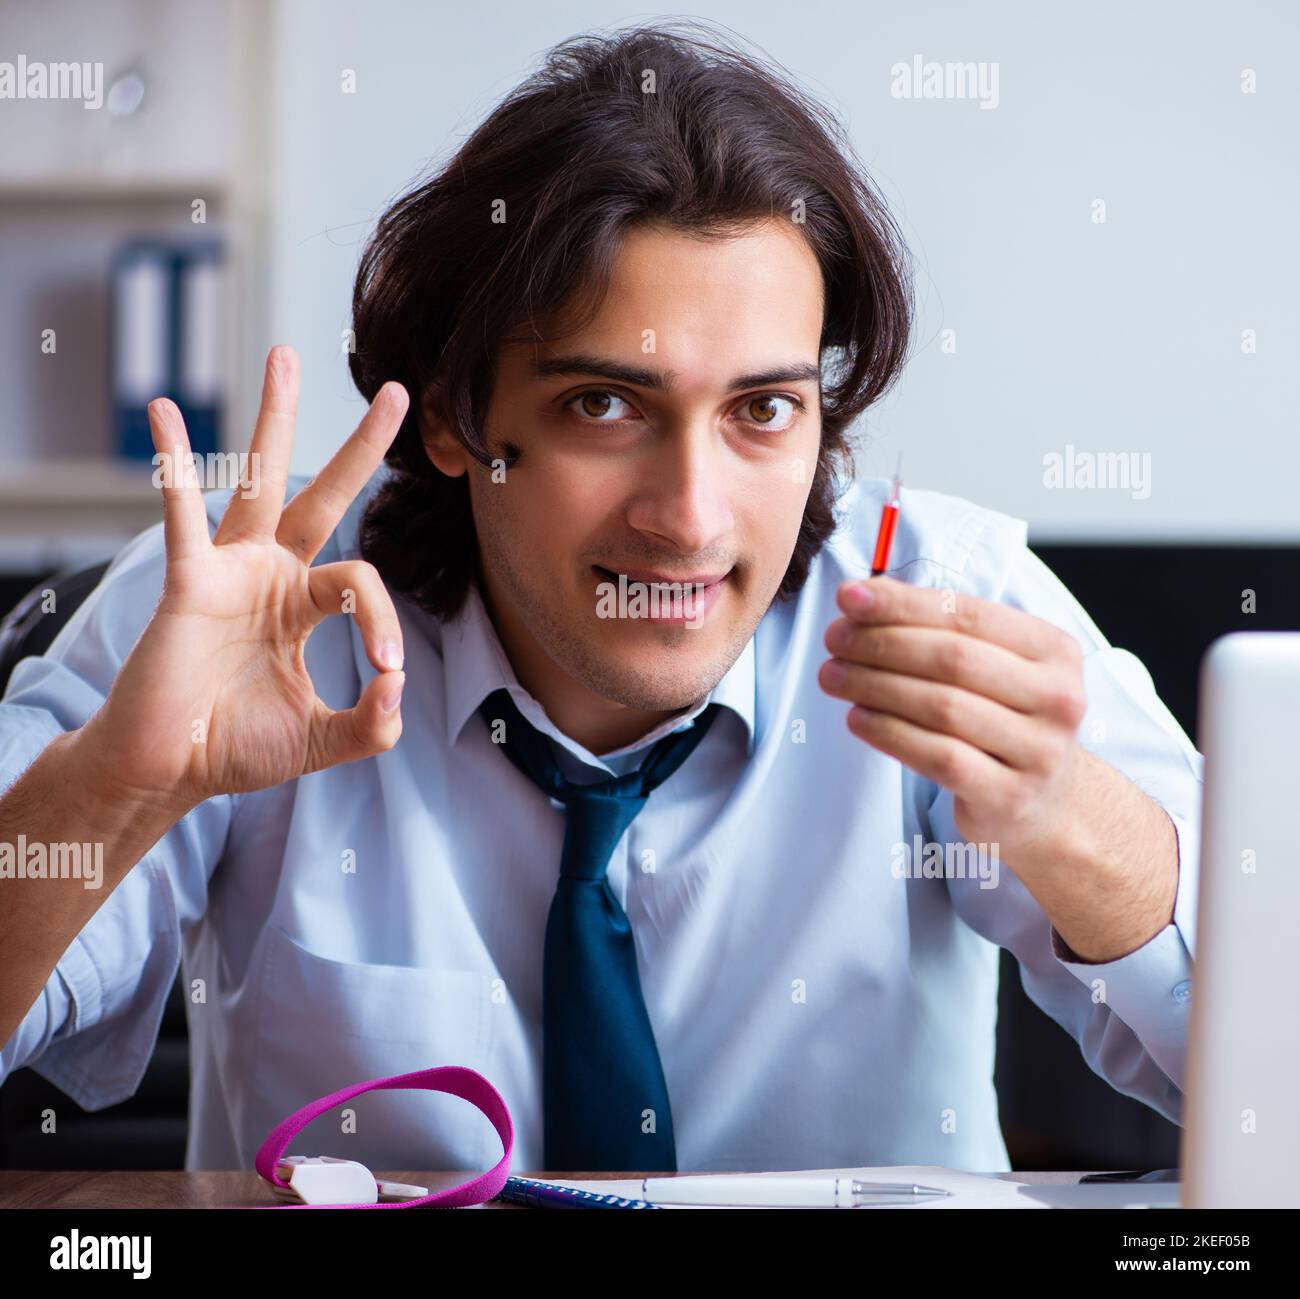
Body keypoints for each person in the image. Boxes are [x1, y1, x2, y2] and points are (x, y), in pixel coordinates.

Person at [0, 23, 1200, 1174]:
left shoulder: (946, 602)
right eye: (603, 407)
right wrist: (118, 780)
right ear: (465, 417)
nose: (688, 515)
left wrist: (1073, 823)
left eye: (761, 410)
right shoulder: (239, 610)